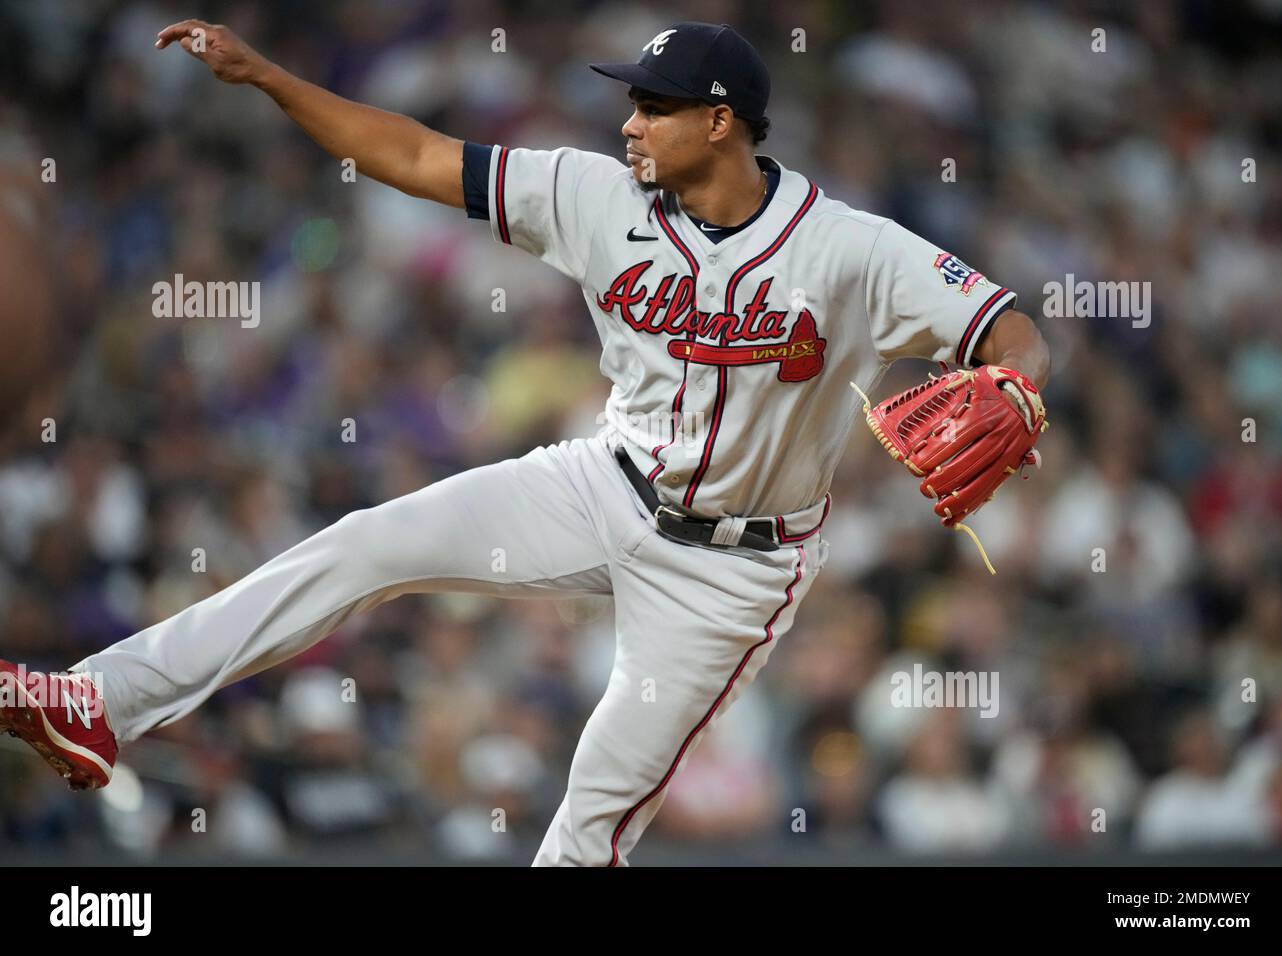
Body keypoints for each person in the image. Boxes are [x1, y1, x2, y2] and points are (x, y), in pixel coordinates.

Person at [0, 19, 1049, 866]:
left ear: (721, 122)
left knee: (586, 831)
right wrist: (270, 78)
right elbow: (414, 154)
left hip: (733, 572)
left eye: (653, 107)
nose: (630, 124)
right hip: (603, 483)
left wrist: (1015, 386)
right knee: (364, 544)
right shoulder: (593, 195)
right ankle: (98, 700)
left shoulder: (850, 249)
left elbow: (1010, 329)